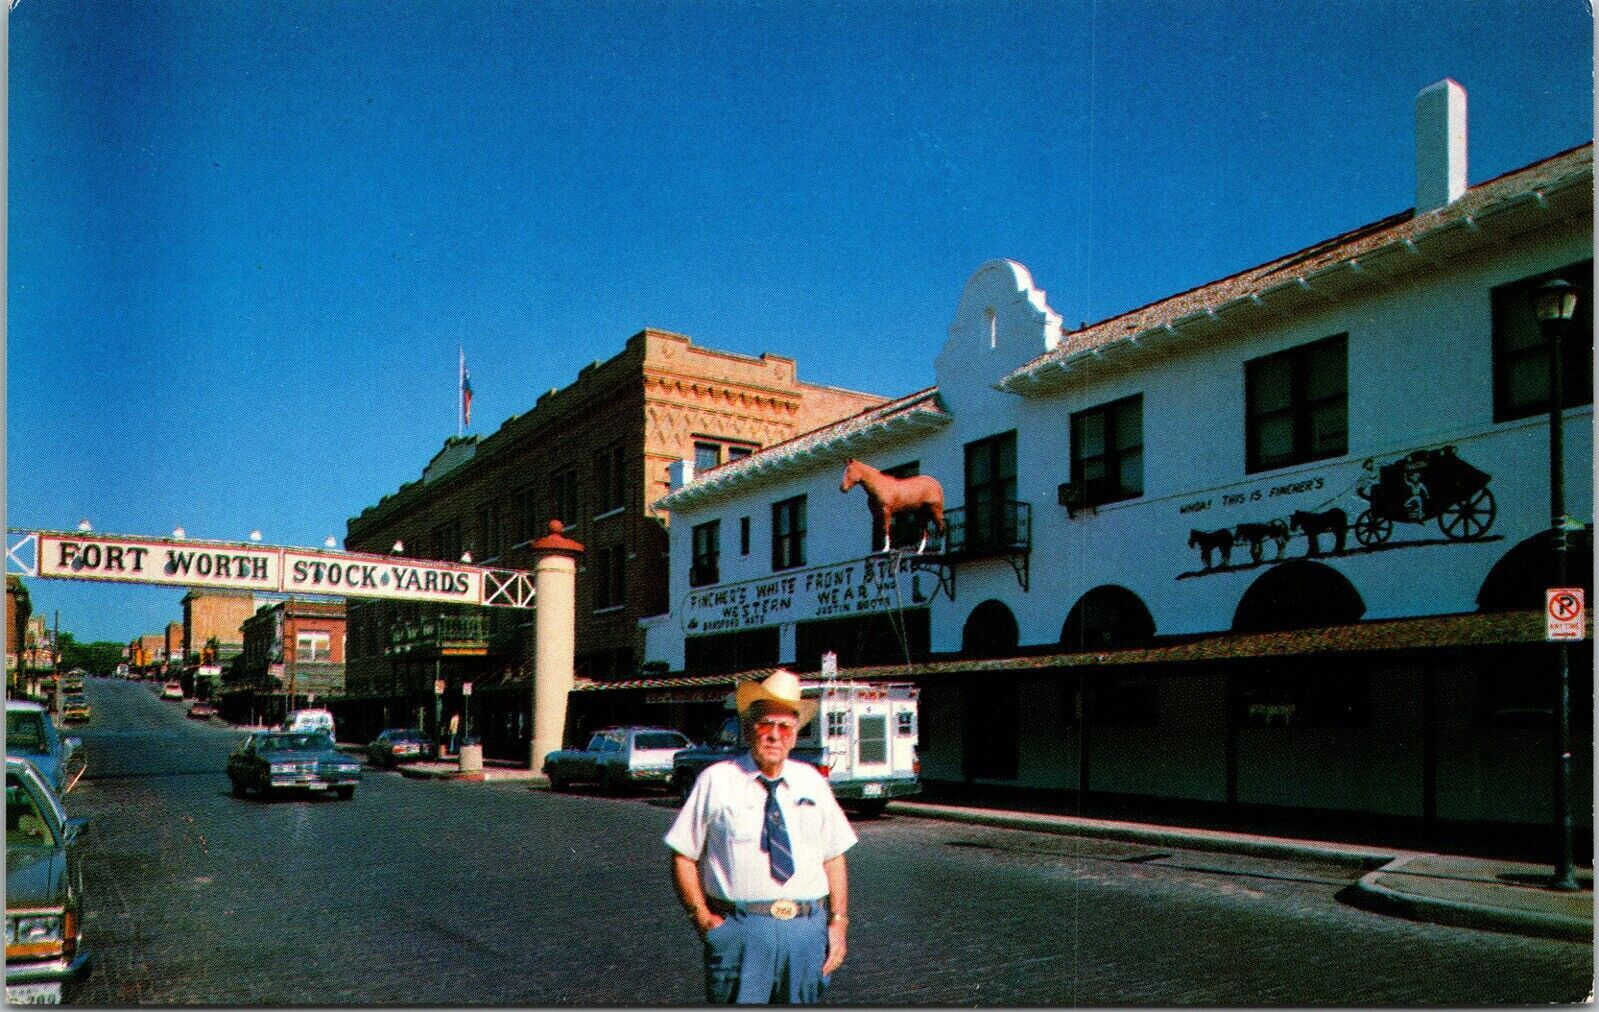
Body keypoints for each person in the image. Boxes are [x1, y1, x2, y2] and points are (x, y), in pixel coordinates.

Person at [665, 670, 856, 1004]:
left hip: (805, 933)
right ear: (748, 728)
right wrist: (701, 917)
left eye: (784, 727)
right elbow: (683, 855)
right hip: (742, 932)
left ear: (796, 734)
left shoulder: (812, 782)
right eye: (765, 724)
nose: (774, 736)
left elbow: (834, 856)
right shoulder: (717, 780)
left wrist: (838, 922)